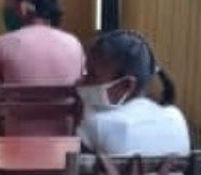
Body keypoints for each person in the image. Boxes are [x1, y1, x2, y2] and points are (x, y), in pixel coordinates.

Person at [76, 29, 190, 157]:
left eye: (93, 75)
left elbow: (76, 170)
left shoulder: (94, 122)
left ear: (126, 85)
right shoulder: (176, 116)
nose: (82, 81)